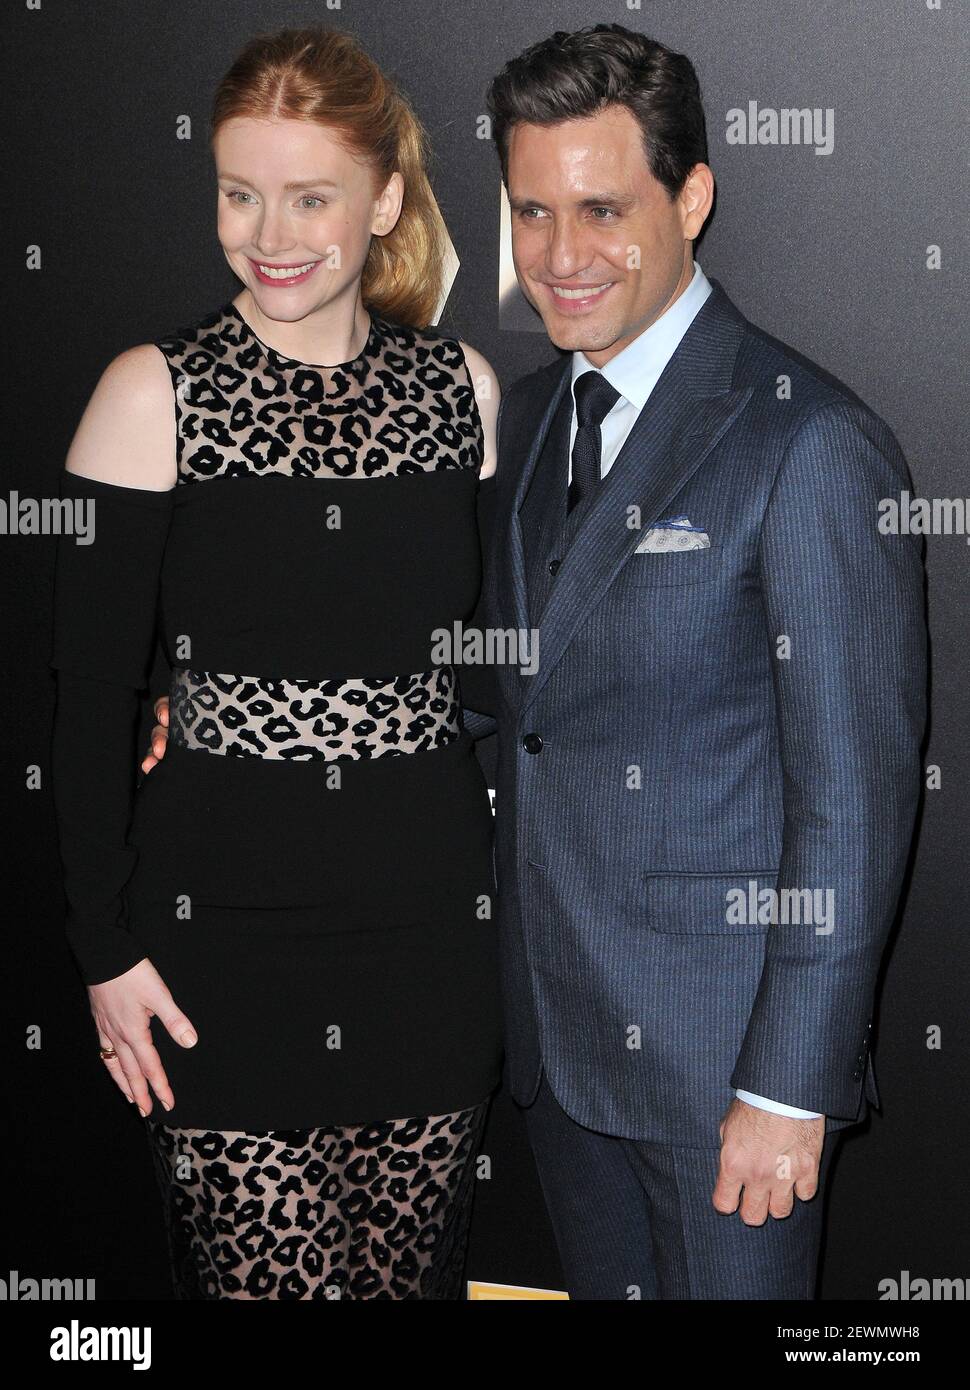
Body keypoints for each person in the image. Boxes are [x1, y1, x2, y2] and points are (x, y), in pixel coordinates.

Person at [49, 23, 503, 1301]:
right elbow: (84, 715)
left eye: (311, 195)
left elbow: (485, 678)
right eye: (239, 192)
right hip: (219, 955)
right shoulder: (152, 395)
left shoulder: (461, 391)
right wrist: (101, 953)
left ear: (386, 202)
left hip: (425, 944)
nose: (269, 231)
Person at [473, 24, 924, 1298]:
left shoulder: (811, 442)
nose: (561, 258)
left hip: (727, 1082)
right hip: (559, 1058)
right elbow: (514, 710)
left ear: (693, 197)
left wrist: (788, 1083)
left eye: (603, 209)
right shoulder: (534, 416)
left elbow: (855, 799)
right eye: (533, 213)